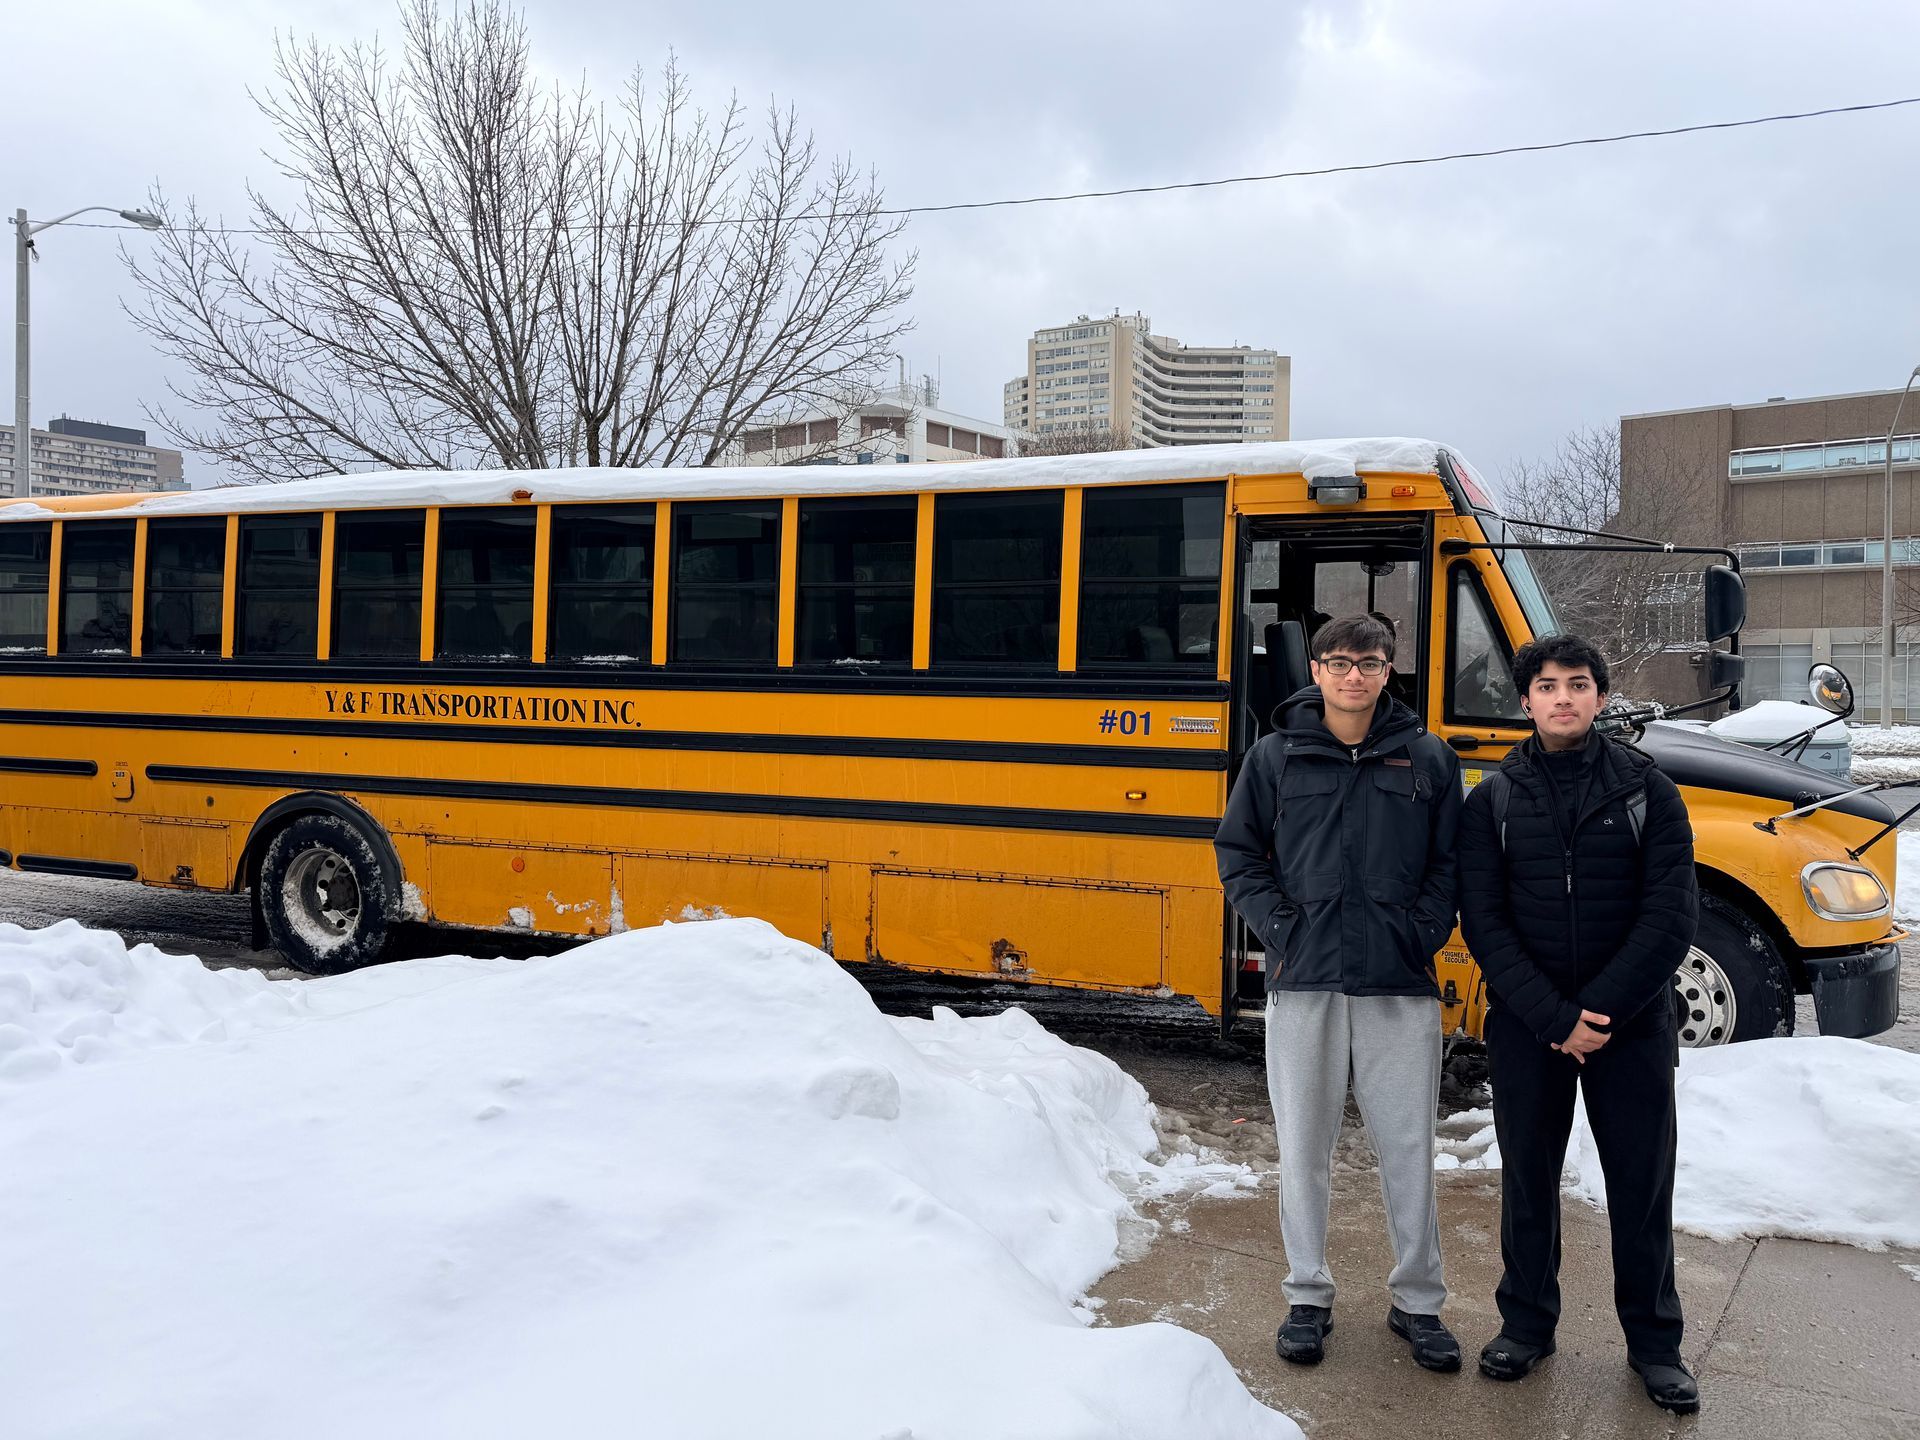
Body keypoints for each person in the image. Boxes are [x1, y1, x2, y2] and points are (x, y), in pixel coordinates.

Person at [1456, 634, 1700, 1415]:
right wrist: (1554, 1018)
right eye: (1548, 685)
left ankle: (1656, 1346)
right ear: (1524, 700)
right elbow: (1484, 922)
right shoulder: (1492, 800)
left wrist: (1600, 1013)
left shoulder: (1648, 792)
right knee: (1528, 1182)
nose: (1564, 697)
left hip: (1629, 1027)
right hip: (1531, 1028)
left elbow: (1670, 917)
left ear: (1601, 698)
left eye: (1580, 684)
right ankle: (1525, 1327)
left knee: (1641, 1186)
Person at [1215, 614, 1464, 1373]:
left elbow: (1451, 864)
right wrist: (1282, 930)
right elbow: (1237, 853)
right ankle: (1307, 1296)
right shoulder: (1275, 756)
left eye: (1371, 662)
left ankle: (1418, 1301)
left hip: (1399, 986)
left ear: (1390, 672)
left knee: (1408, 1149)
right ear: (1316, 671)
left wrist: (1419, 932)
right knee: (1304, 1151)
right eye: (1340, 661)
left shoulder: (1426, 758)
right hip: (1307, 981)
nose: (1355, 674)